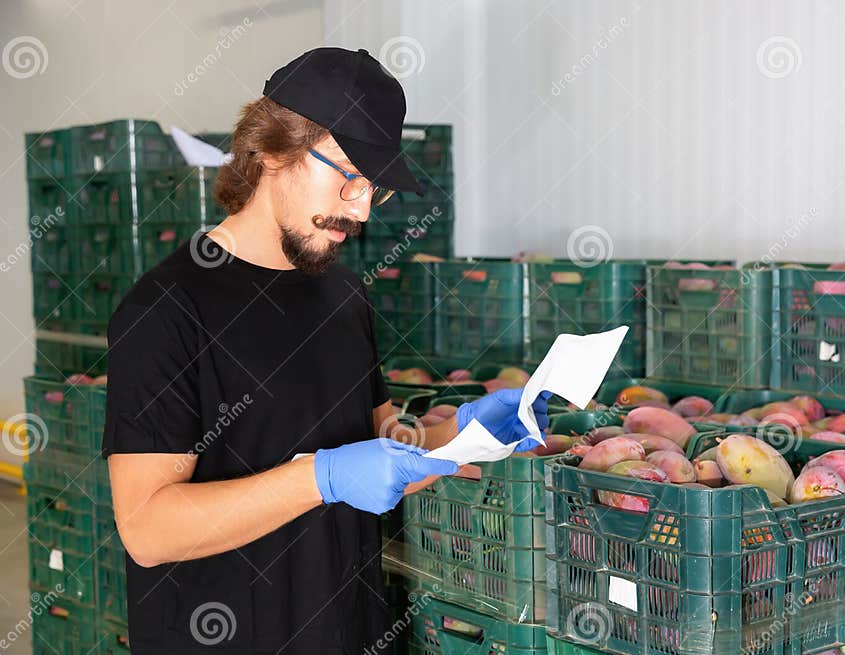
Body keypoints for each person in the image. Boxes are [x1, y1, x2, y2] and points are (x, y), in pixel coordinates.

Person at [101, 47, 550, 654]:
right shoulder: (165, 308)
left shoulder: (341, 293)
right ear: (268, 150)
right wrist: (320, 478)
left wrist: (461, 436)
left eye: (375, 189)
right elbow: (148, 528)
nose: (360, 208)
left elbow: (378, 442)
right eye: (347, 175)